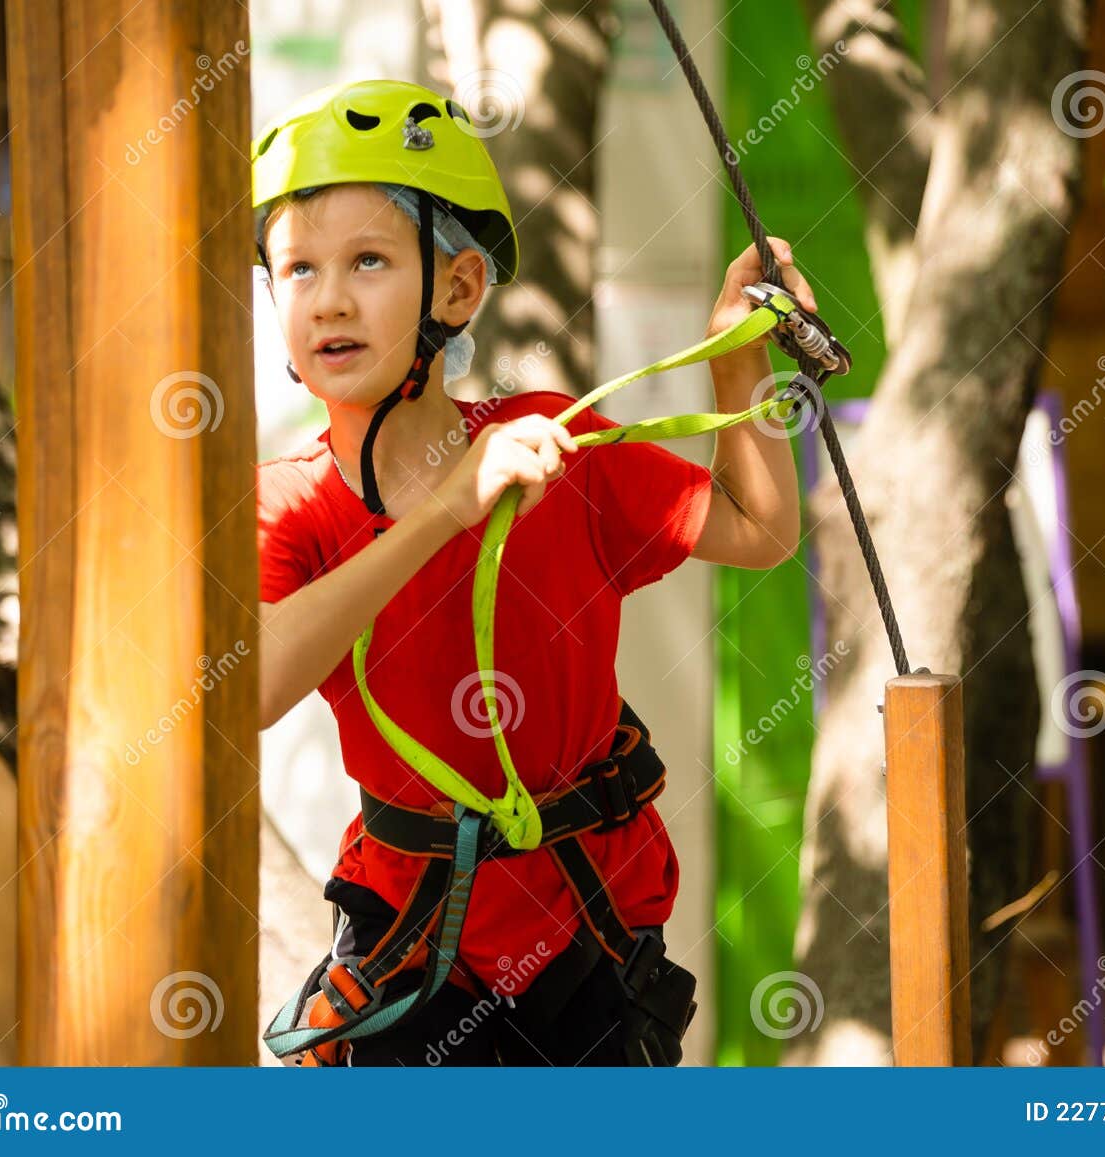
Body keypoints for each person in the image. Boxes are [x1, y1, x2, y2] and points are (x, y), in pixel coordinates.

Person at [254, 78, 814, 1066]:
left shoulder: (553, 443)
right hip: (413, 940)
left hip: (586, 929)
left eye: (369, 260)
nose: (329, 297)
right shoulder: (290, 502)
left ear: (459, 290)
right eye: (297, 268)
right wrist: (445, 508)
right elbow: (250, 686)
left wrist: (741, 369)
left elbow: (759, 530)